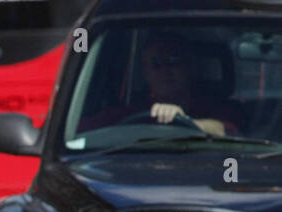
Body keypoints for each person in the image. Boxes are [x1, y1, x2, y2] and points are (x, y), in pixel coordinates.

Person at [83, 31, 241, 136]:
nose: (165, 70)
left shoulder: (216, 107)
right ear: (145, 72)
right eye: (156, 63)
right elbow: (80, 135)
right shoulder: (130, 111)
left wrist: (185, 122)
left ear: (191, 67)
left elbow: (226, 130)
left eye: (173, 62)